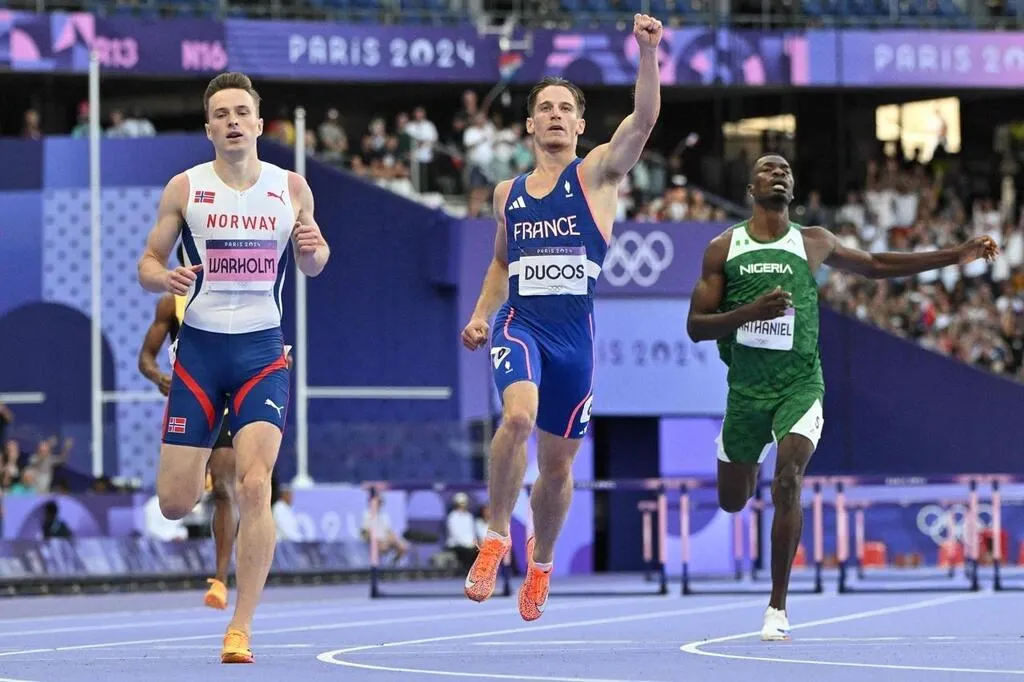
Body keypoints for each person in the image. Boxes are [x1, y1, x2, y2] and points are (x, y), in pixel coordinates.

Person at [686, 153, 998, 641]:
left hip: (801, 386)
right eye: (768, 168)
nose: (780, 172)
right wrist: (750, 311)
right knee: (732, 500)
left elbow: (875, 264)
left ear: (793, 188)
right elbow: (695, 327)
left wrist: (954, 254)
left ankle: (777, 608)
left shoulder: (812, 241)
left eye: (787, 168)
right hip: (746, 392)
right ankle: (737, 454)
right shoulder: (723, 248)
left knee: (789, 480)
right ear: (751, 188)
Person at [459, 14, 663, 622]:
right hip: (522, 325)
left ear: (580, 124)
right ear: (528, 125)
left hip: (575, 340)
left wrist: (647, 55)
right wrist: (479, 316)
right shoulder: (507, 194)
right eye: (543, 107)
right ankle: (495, 534)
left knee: (557, 468)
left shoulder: (599, 173)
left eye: (563, 108)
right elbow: (501, 263)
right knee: (516, 417)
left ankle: (540, 560)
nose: (553, 115)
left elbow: (645, 119)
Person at [136, 71, 329, 664]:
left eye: (241, 111)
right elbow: (147, 261)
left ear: (258, 122)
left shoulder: (291, 187)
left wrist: (314, 249)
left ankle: (239, 626)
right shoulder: (184, 188)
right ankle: (189, 472)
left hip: (261, 354)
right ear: (209, 127)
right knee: (173, 503)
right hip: (197, 355)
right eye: (221, 113)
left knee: (253, 485)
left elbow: (315, 263)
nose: (232, 121)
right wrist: (163, 278)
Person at [137, 248, 294, 612]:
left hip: (234, 394)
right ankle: (217, 560)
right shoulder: (171, 302)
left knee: (228, 486)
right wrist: (159, 376)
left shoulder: (248, 288)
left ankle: (221, 578)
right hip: (195, 391)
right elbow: (145, 356)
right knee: (177, 501)